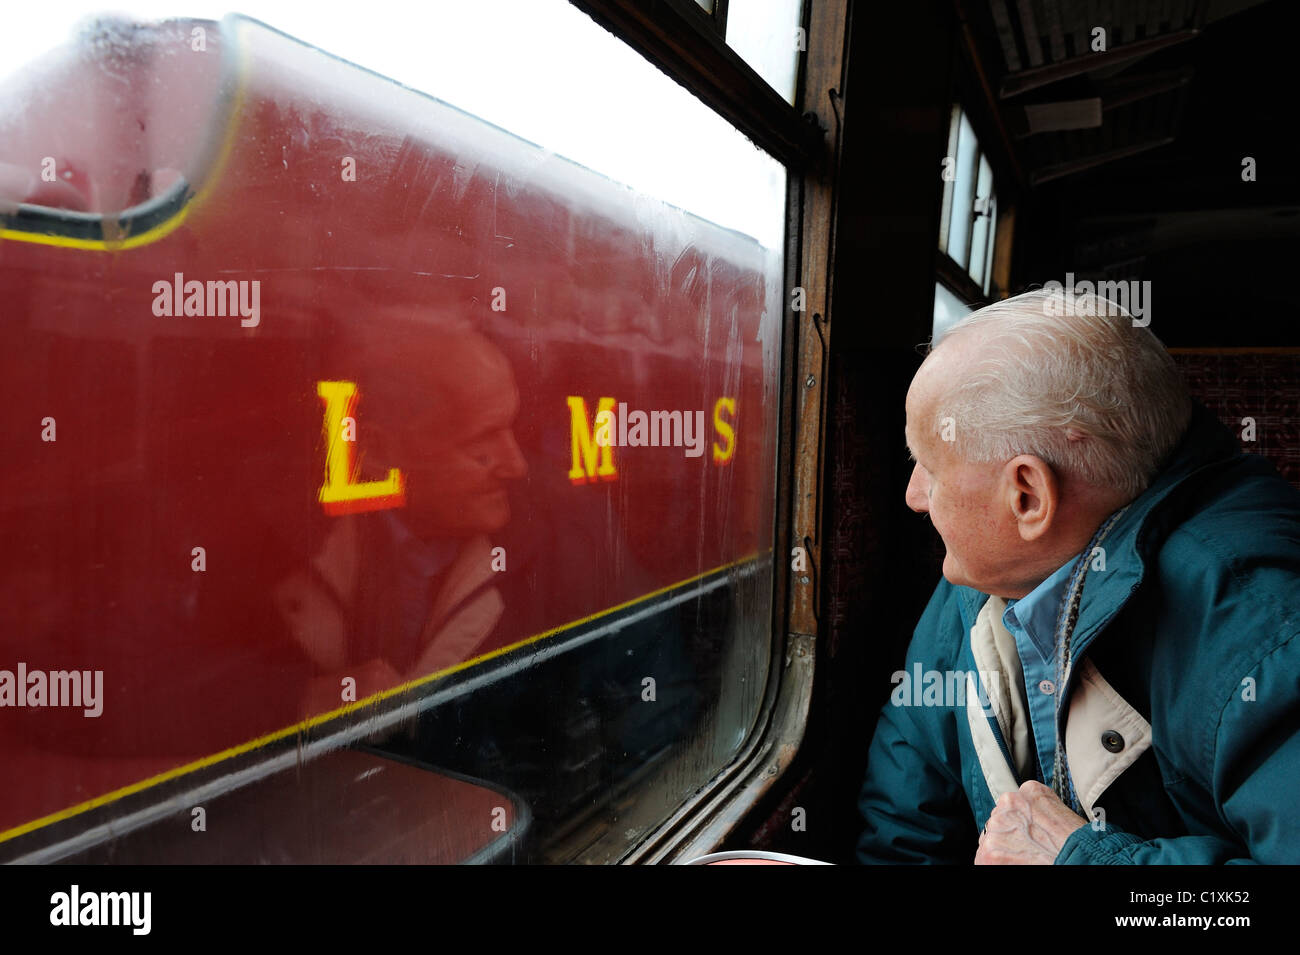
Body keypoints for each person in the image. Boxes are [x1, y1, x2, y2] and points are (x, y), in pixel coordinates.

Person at [856, 287, 1300, 864]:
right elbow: (905, 829)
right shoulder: (980, 582)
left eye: (931, 469)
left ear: (1027, 495)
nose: (915, 497)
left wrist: (1082, 862)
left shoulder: (1263, 628)